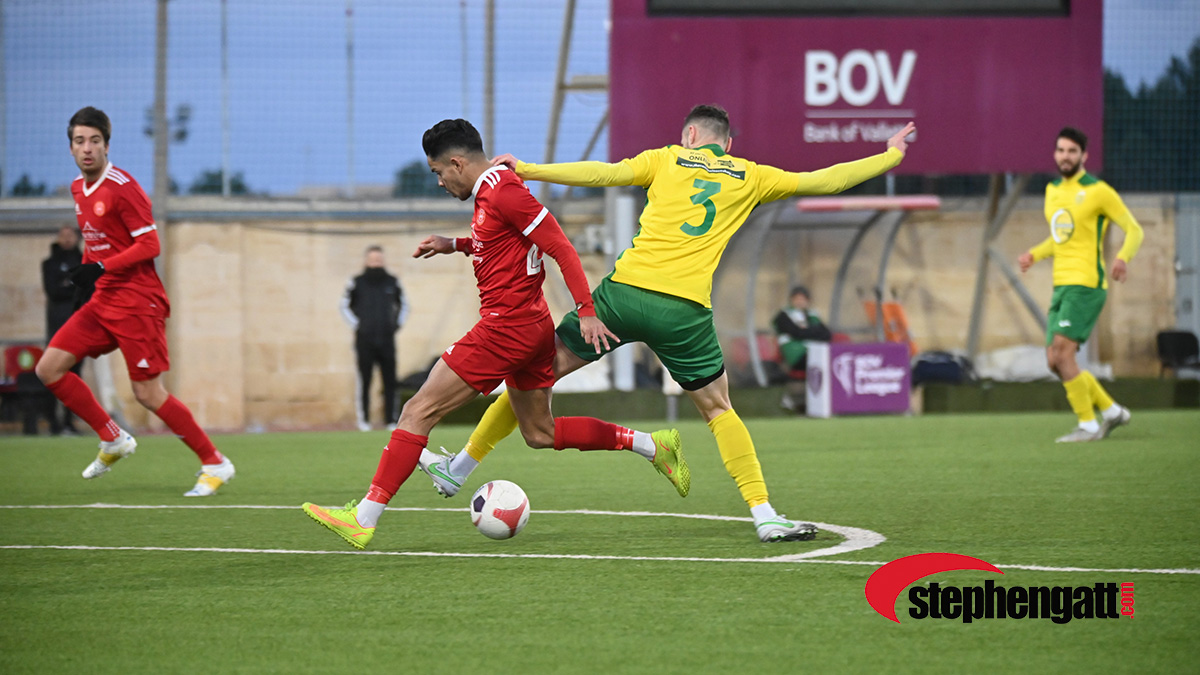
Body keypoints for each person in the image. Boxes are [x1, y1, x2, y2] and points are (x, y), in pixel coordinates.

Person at [418, 105, 914, 542]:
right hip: (684, 312)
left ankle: (459, 466)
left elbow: (602, 173)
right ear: (728, 143)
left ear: (691, 136)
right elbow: (826, 178)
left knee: (533, 370)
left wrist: (527, 167)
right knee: (719, 409)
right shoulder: (751, 174)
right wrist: (889, 155)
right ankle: (765, 516)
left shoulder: (666, 158)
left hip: (623, 296)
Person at [302, 119, 688, 550]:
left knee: (416, 411)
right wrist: (455, 244)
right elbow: (499, 241)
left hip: (506, 328)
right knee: (540, 433)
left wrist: (587, 311)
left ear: (456, 162)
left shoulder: (504, 190)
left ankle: (363, 517)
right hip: (528, 327)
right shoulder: (490, 194)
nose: (440, 182)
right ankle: (652, 446)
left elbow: (561, 246)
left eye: (438, 173)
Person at [34, 106, 235, 496]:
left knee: (147, 393)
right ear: (71, 148)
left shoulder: (123, 187)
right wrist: (84, 281)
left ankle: (215, 462)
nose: (87, 148)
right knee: (50, 369)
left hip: (138, 302)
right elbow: (95, 241)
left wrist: (102, 266)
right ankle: (112, 438)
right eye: (79, 141)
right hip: (103, 300)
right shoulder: (78, 188)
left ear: (107, 145)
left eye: (95, 140)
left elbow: (150, 244)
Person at [1018, 126, 1142, 443]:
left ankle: (1088, 424)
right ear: (1055, 154)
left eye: (1072, 151)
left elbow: (1134, 229)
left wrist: (1122, 258)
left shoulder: (1099, 191)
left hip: (1087, 284)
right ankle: (1111, 411)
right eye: (1061, 150)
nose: (1066, 156)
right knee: (1053, 361)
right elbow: (1060, 239)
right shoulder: (1052, 191)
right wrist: (1035, 253)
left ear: (1084, 156)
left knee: (1062, 355)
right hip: (1062, 285)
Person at [340, 245, 409, 431]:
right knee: (365, 379)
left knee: (390, 381)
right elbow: (344, 306)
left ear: (383, 260)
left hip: (387, 339)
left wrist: (395, 326)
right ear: (366, 261)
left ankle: (391, 420)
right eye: (372, 259)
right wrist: (359, 326)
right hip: (364, 340)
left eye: (379, 259)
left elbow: (404, 305)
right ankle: (364, 421)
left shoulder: (392, 282)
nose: (376, 262)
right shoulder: (356, 282)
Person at [41, 224, 86, 435]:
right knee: (51, 373)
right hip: (57, 325)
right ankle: (53, 422)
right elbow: (54, 291)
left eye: (71, 236)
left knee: (75, 375)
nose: (67, 239)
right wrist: (71, 285)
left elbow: (86, 289)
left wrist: (68, 284)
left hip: (79, 324)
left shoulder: (85, 261)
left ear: (77, 239)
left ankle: (69, 421)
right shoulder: (49, 264)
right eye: (63, 235)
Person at [773, 285, 831, 411]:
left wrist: (806, 331)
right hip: (795, 355)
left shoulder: (812, 315)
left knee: (829, 360)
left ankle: (822, 400)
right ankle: (796, 399)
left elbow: (826, 334)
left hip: (813, 352)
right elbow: (796, 332)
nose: (800, 302)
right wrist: (813, 332)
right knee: (819, 363)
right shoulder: (783, 315)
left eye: (803, 299)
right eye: (797, 299)